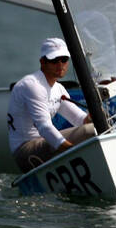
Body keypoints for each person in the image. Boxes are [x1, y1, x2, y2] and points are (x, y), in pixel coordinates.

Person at [8, 37, 99, 173]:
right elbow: (44, 127)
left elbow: (80, 119)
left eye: (64, 59)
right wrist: (73, 152)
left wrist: (95, 116)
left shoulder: (58, 88)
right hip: (25, 151)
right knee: (89, 131)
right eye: (54, 60)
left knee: (96, 127)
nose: (60, 64)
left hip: (44, 145)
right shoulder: (32, 85)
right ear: (42, 62)